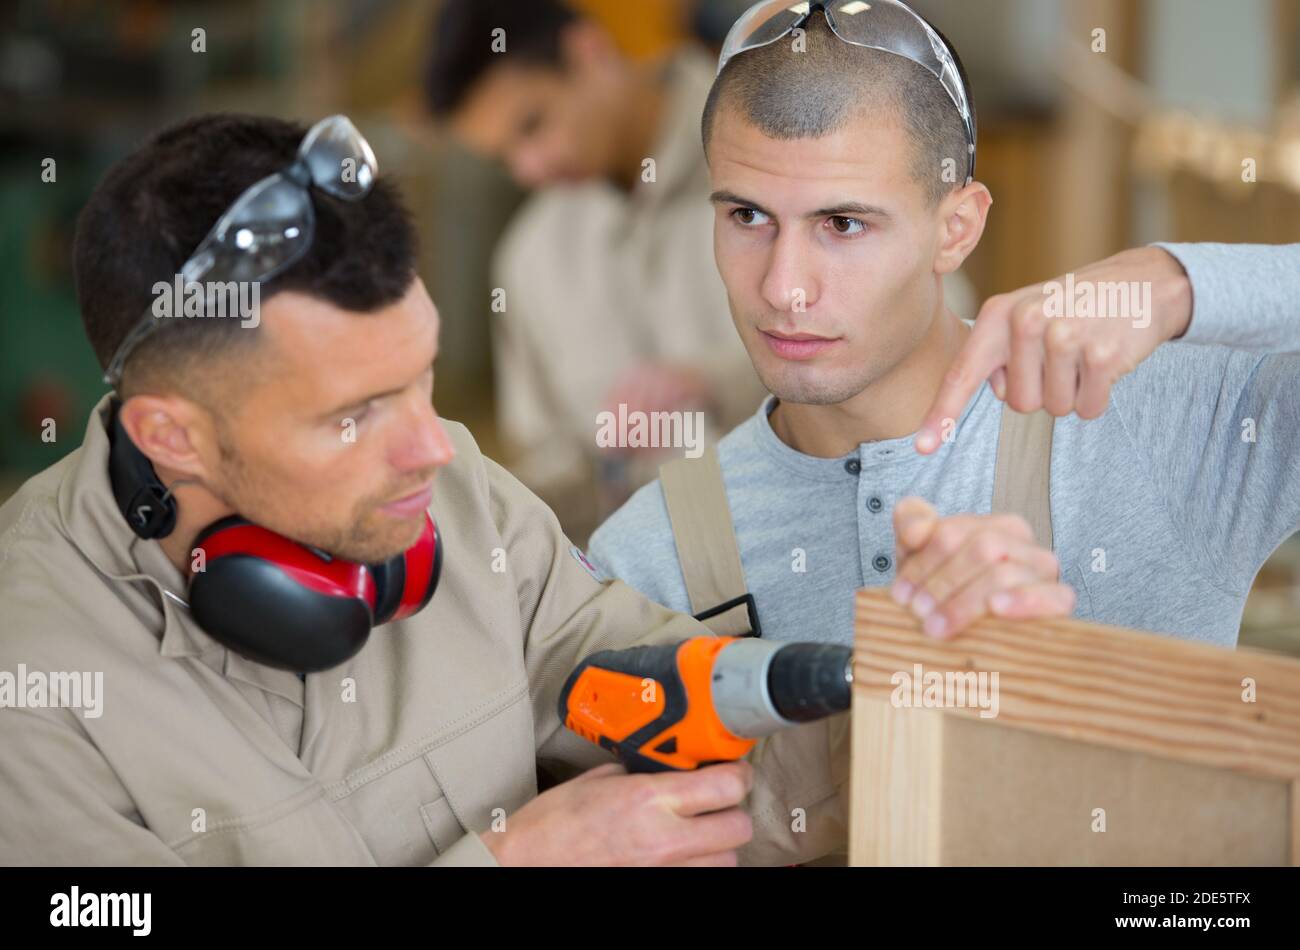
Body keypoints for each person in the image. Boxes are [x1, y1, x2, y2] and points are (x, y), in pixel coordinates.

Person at [0, 113, 845, 866]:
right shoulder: (31, 685)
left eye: (422, 376)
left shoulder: (459, 504)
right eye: (356, 414)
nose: (435, 449)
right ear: (171, 436)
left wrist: (928, 665)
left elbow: (727, 756)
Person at [587, 0, 1300, 650]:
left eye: (842, 223)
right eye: (747, 216)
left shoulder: (1171, 424)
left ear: (956, 230)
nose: (784, 288)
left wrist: (1180, 282)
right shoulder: (649, 559)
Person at [423, 0, 973, 541]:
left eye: (534, 124)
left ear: (586, 52)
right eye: (503, 157)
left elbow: (946, 333)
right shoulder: (530, 258)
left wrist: (713, 384)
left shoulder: (791, 132)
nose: (530, 167)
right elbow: (545, 484)